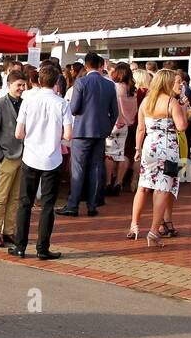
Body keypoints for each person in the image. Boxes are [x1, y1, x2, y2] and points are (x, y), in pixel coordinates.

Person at [9, 64, 71, 260]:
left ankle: (20, 247)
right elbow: (68, 135)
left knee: (24, 203)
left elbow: (18, 133)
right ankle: (42, 248)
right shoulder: (62, 104)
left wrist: (32, 137)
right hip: (52, 158)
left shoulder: (28, 101)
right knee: (47, 205)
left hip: (30, 156)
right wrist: (55, 138)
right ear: (56, 82)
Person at [129, 69, 187, 246]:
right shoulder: (172, 102)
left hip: (149, 145)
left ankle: (134, 225)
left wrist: (138, 148)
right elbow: (182, 126)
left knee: (144, 185)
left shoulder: (146, 101)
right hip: (168, 148)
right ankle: (154, 230)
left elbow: (140, 129)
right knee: (163, 187)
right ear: (168, 83)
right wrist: (184, 110)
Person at [57, 51, 118, 217]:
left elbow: (74, 108)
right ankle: (92, 205)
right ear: (101, 66)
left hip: (82, 131)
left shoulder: (81, 82)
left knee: (78, 168)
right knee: (96, 168)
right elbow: (115, 111)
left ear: (85, 65)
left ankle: (73, 204)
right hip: (100, 132)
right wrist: (107, 127)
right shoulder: (109, 85)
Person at [0, 68, 27, 248]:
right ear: (9, 85)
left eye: (24, 85)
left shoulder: (25, 103)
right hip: (6, 156)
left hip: (23, 156)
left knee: (15, 197)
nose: (21, 88)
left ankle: (9, 231)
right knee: (1, 197)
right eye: (19, 85)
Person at [105, 61, 137, 196]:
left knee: (110, 155)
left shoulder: (114, 87)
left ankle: (108, 182)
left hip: (114, 123)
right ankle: (119, 181)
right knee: (122, 154)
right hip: (126, 124)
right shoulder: (132, 90)